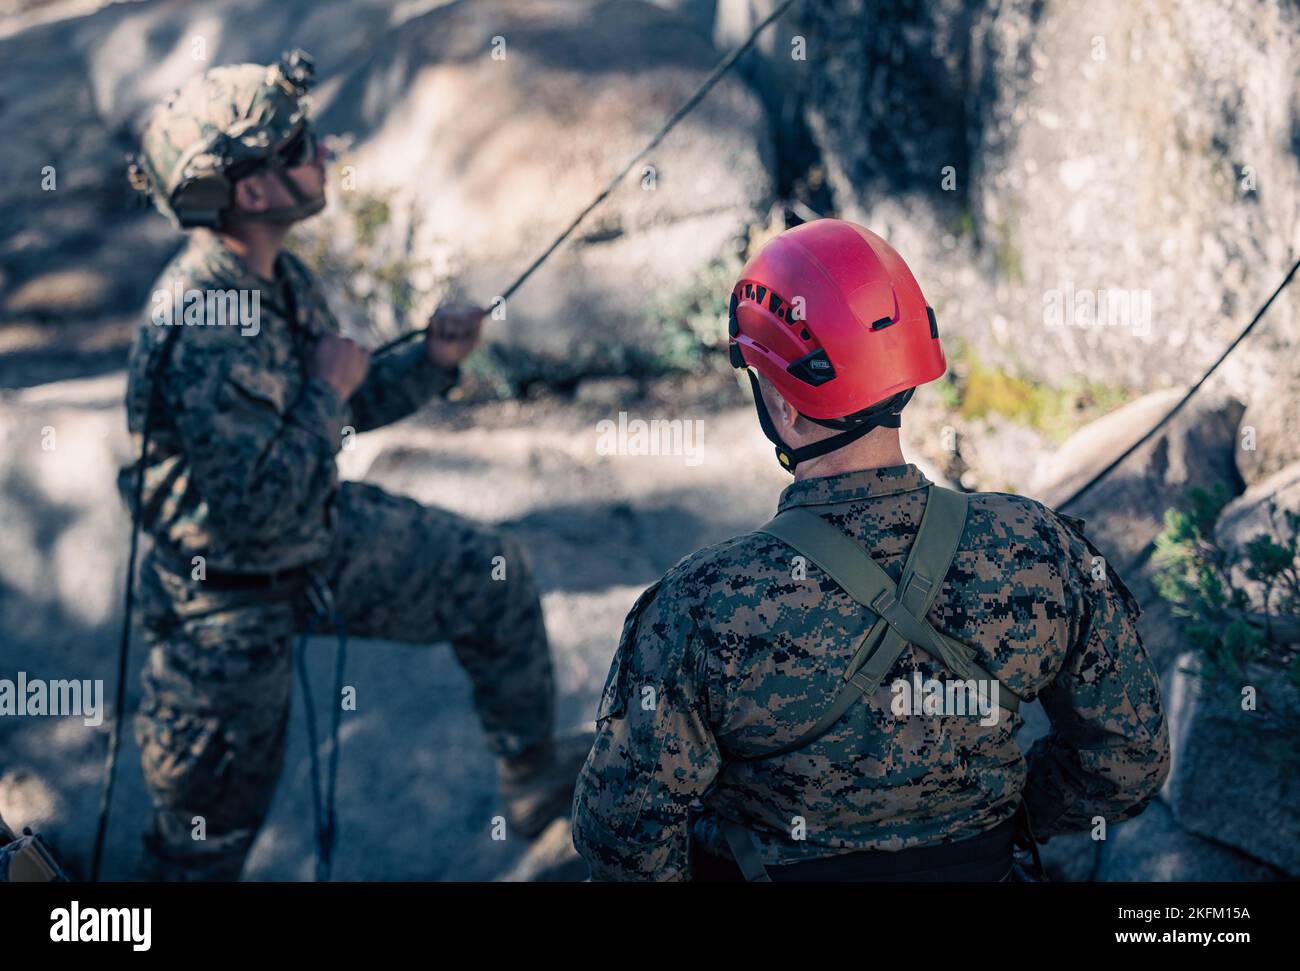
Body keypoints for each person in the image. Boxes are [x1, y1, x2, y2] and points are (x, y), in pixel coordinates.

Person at [572, 218, 1171, 881]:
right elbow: (1127, 760)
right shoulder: (1037, 547)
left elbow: (622, 836)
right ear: (904, 375)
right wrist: (1007, 820)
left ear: (785, 407)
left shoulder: (700, 604)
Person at [122, 50, 587, 881]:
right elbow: (254, 505)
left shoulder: (279, 277)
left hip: (311, 536)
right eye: (299, 143)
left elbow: (345, 401)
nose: (324, 150)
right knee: (200, 848)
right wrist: (325, 394)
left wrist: (434, 360)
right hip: (225, 606)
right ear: (253, 190)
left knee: (493, 574)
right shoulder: (203, 323)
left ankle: (533, 777)